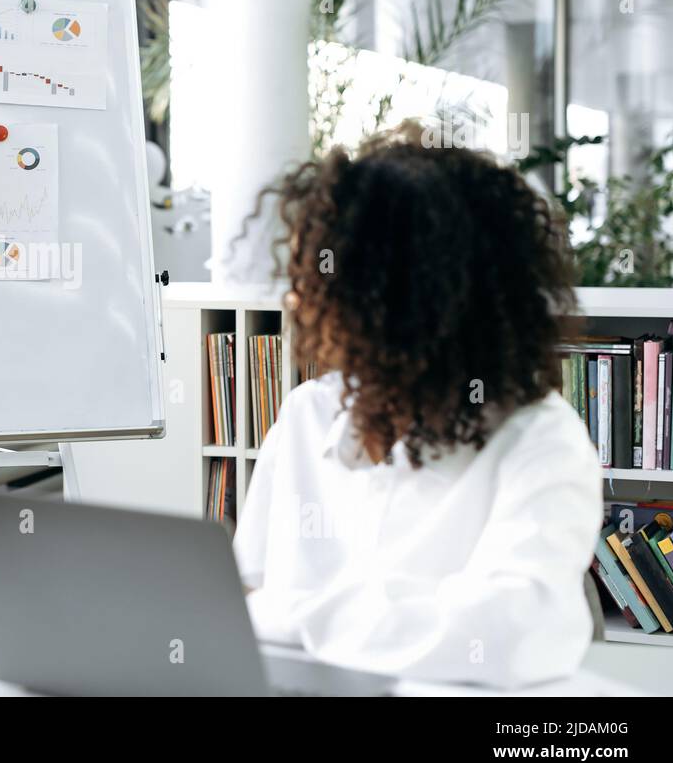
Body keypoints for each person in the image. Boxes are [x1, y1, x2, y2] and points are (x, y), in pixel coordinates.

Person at [233, 122, 603, 689]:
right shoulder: (308, 415)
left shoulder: (540, 439)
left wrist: (298, 615)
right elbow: (246, 595)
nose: (302, 299)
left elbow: (509, 636)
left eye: (334, 282)